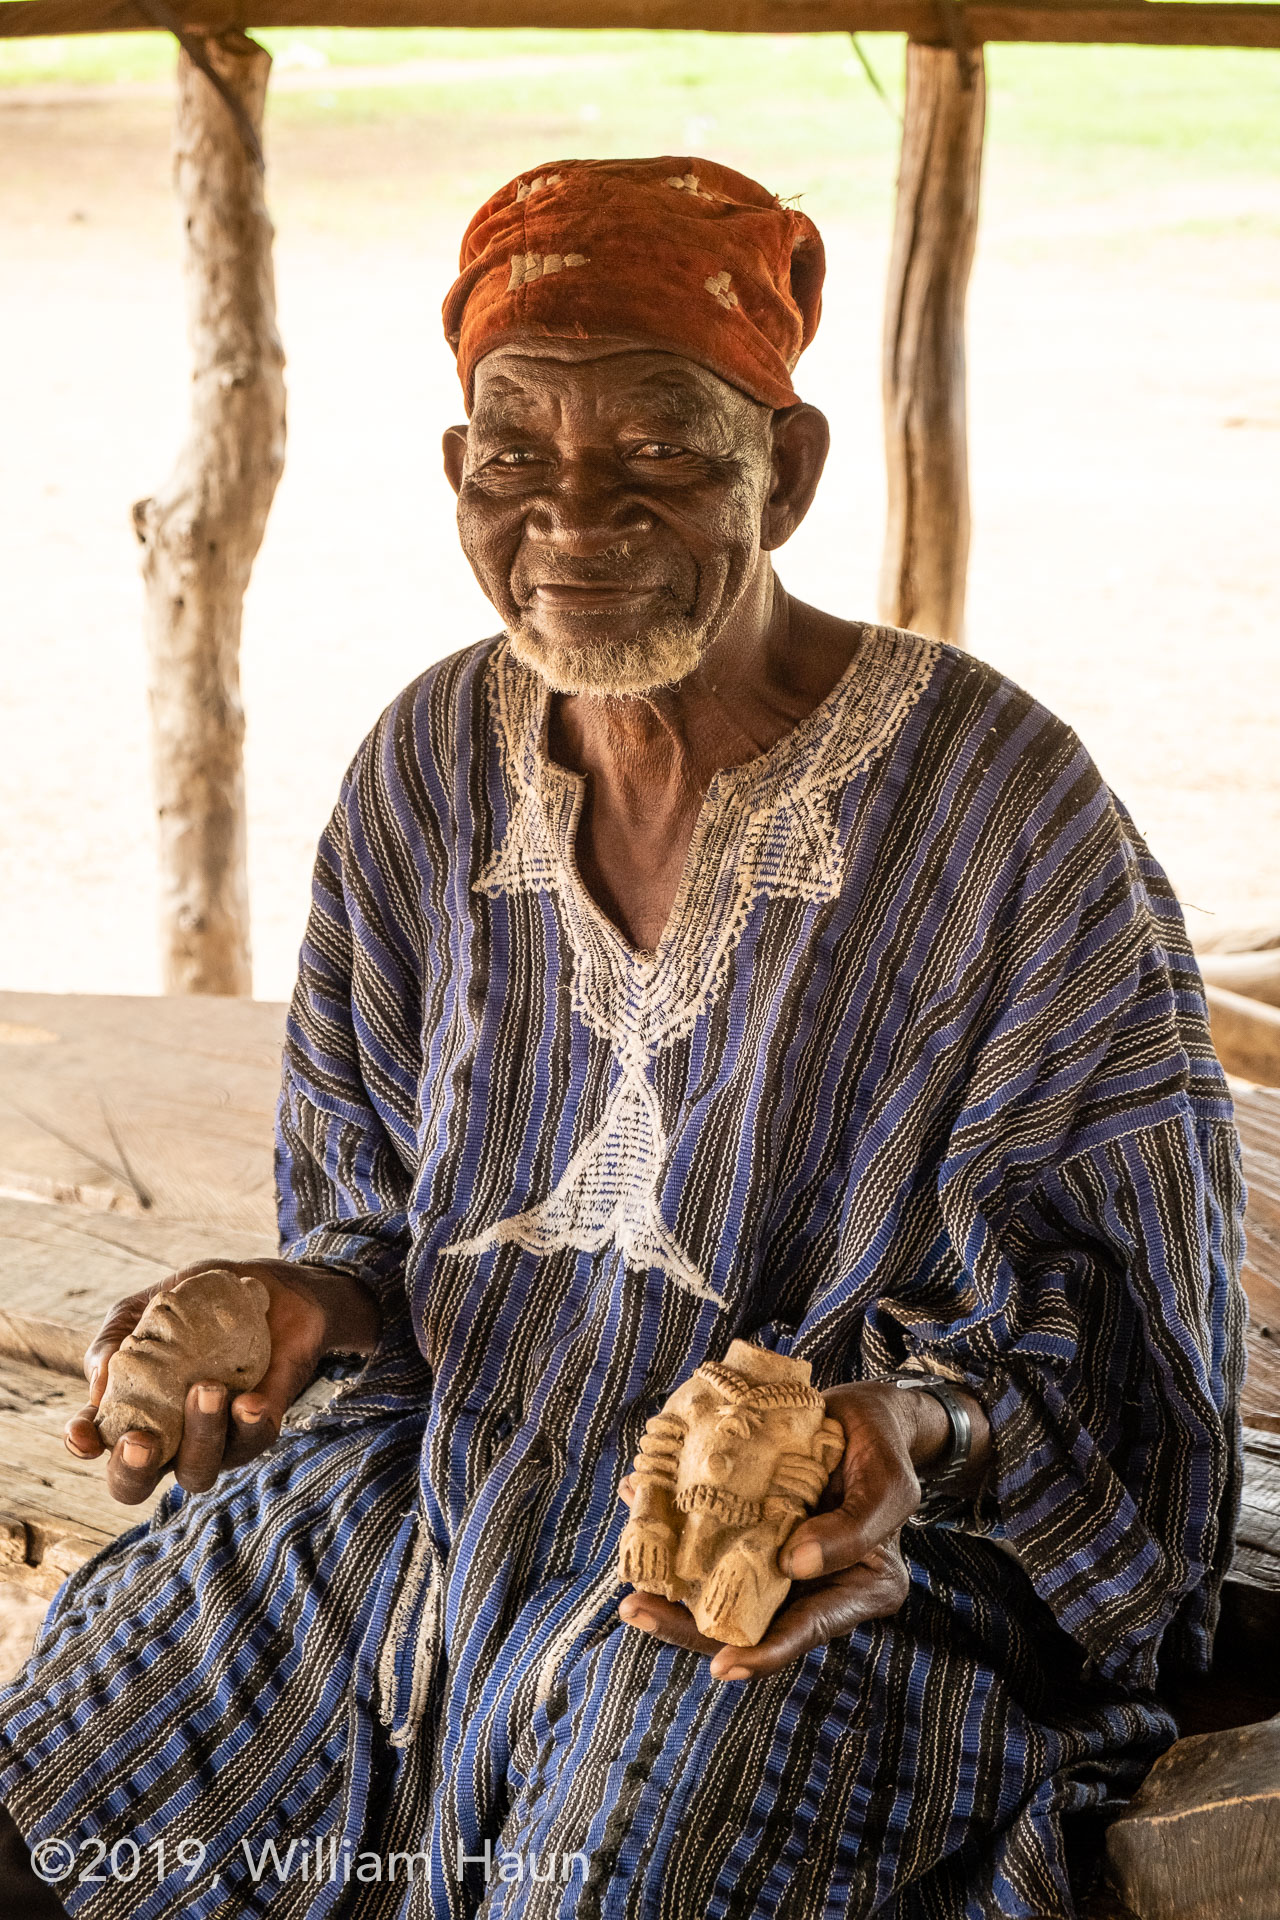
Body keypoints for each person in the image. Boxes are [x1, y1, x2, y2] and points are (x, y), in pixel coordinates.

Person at [0, 157, 1245, 1920]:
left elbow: (1129, 1372)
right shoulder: (431, 765)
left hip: (843, 1552)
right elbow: (368, 1235)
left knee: (657, 1794)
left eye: (659, 452)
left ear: (788, 473)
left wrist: (910, 1435)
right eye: (515, 458)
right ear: (458, 476)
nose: (571, 517)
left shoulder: (999, 811)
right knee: (100, 1719)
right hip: (454, 1466)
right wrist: (288, 1308)